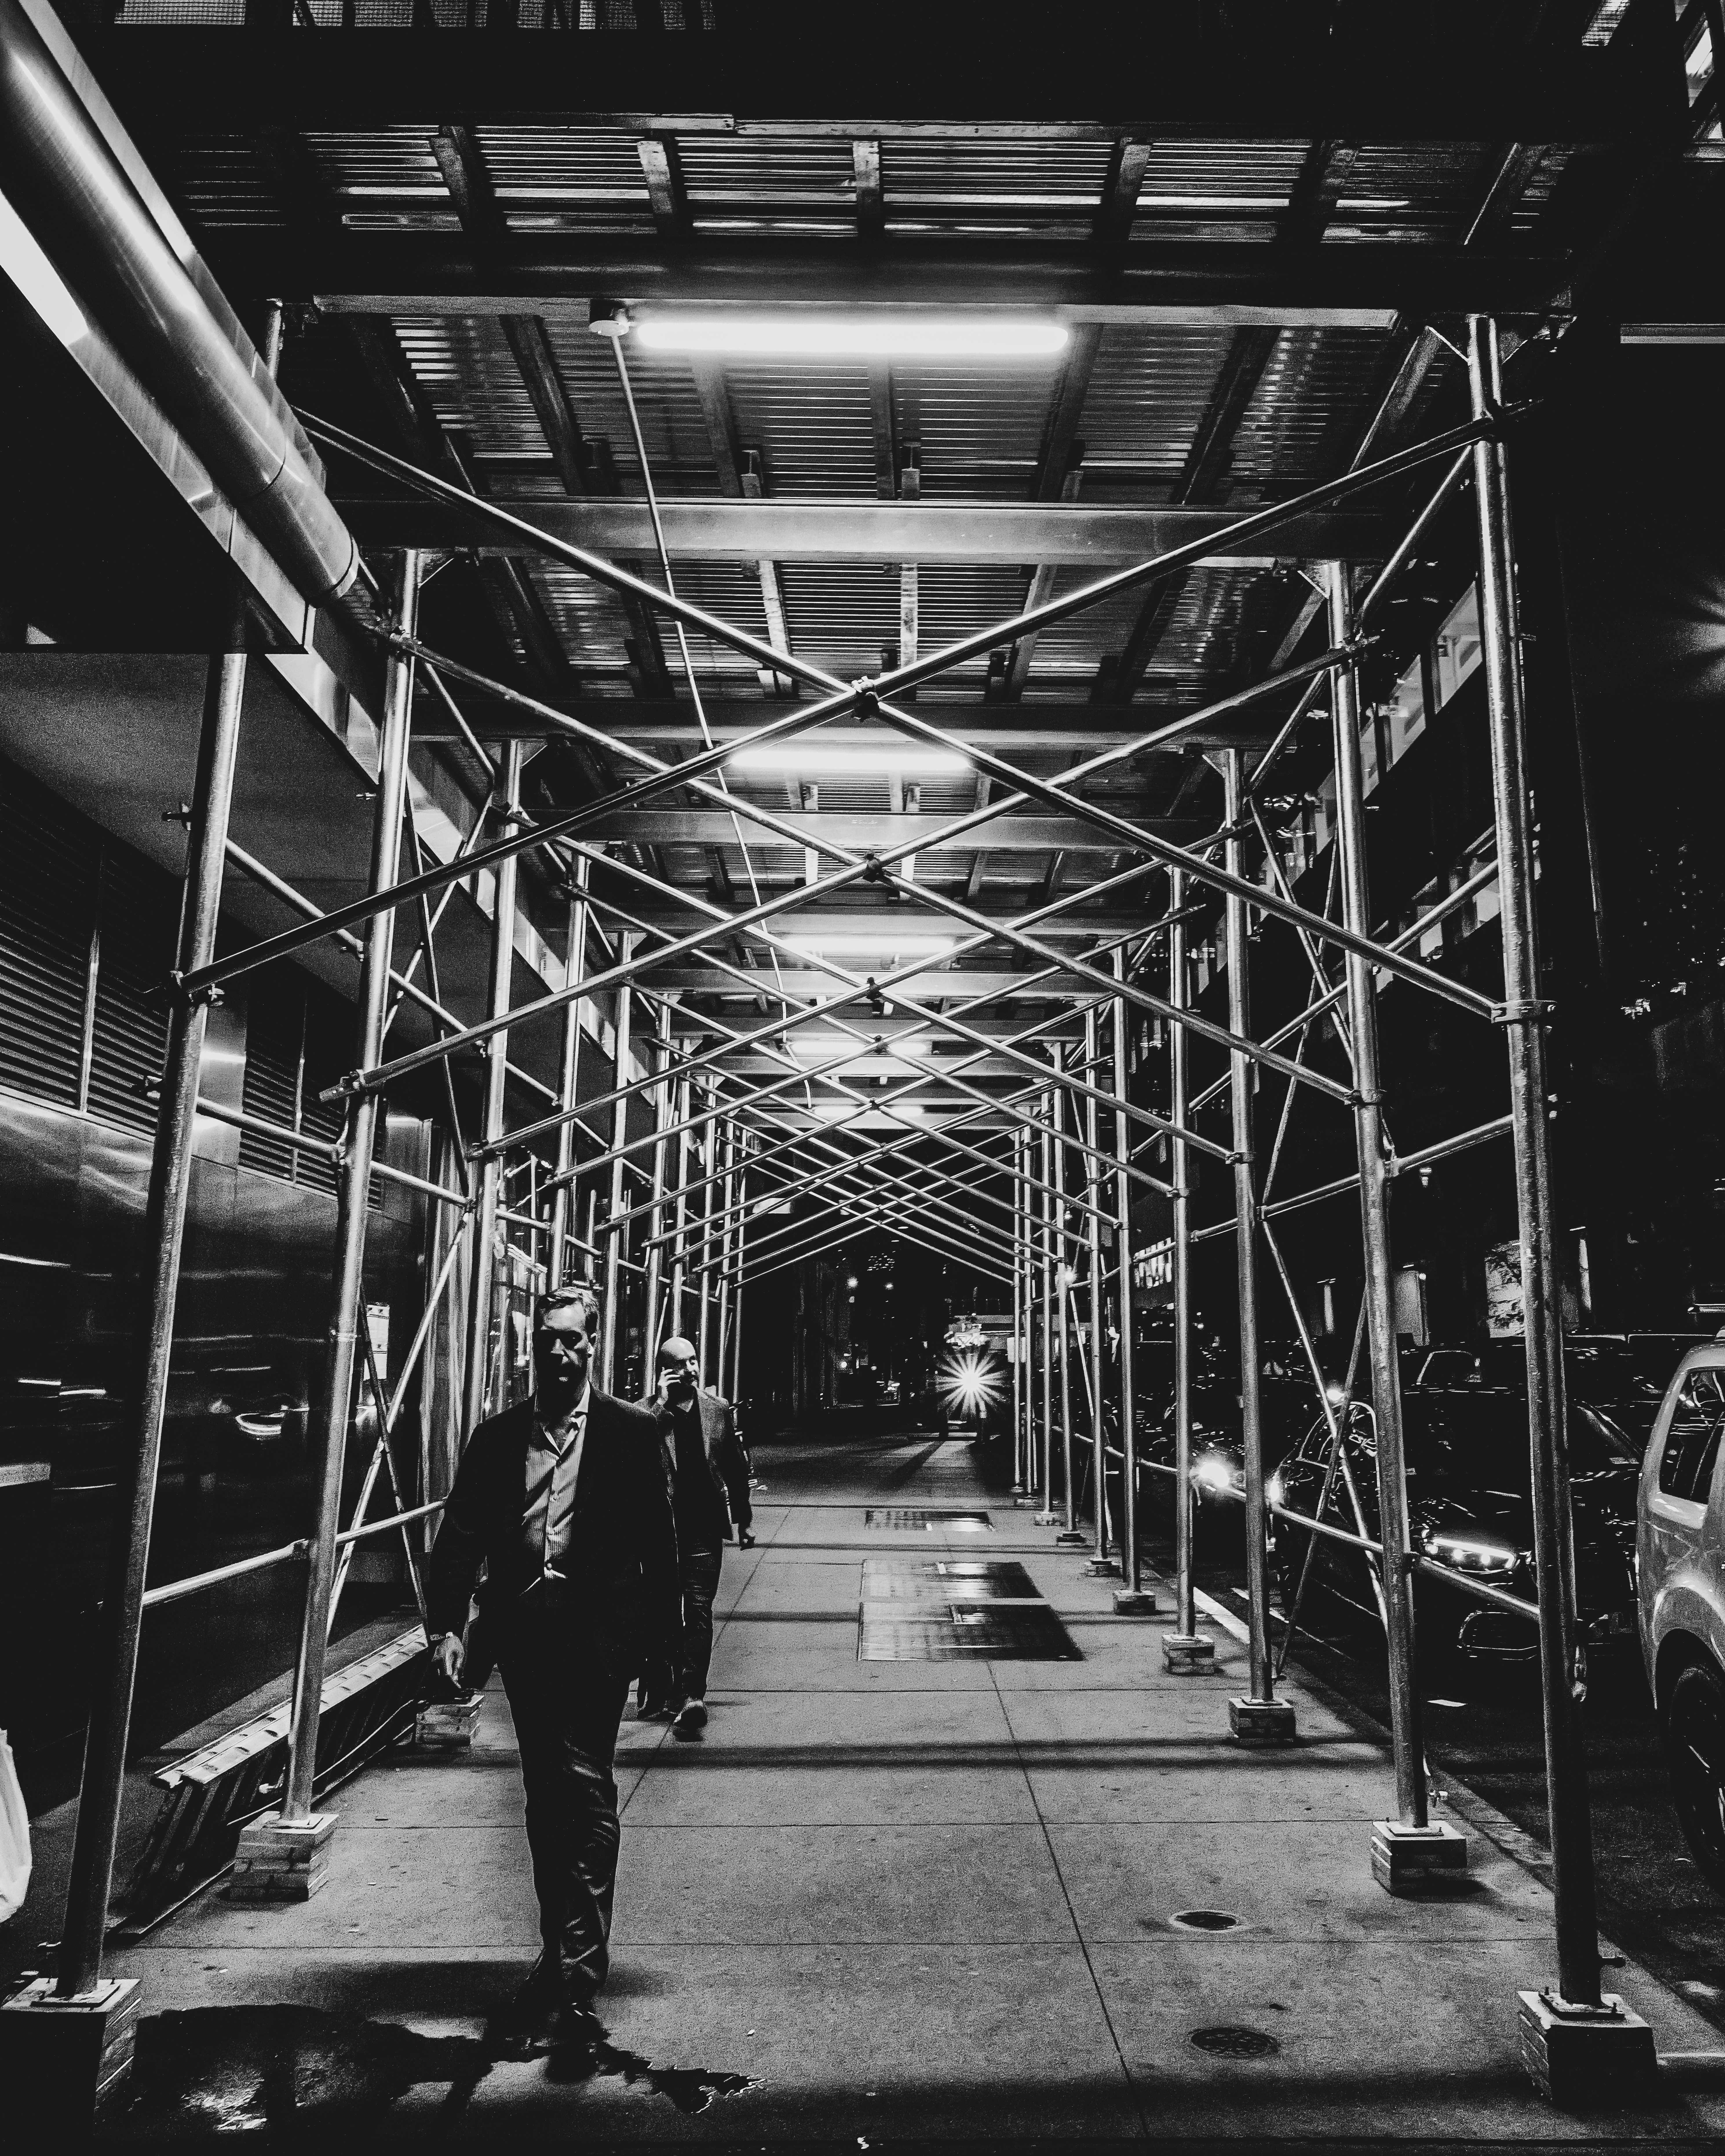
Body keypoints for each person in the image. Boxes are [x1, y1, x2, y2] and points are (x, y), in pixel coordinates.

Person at [426, 1285, 678, 2049]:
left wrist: (663, 1649)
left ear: (593, 1343)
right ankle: (560, 1952)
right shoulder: (499, 1437)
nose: (559, 1351)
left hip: (599, 1641)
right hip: (526, 1641)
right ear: (531, 1345)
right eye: (547, 1339)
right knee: (546, 1799)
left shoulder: (631, 1432)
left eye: (572, 1338)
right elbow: (460, 1533)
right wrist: (445, 1627)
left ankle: (577, 1979)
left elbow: (659, 1542)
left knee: (585, 1791)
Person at [650, 1335, 754, 1736]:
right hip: (662, 1533)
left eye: (694, 1360)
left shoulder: (717, 1410)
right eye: (680, 1363)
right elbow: (638, 1457)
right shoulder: (645, 1414)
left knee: (698, 1611)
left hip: (704, 1529)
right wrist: (661, 1407)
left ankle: (693, 1695)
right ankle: (672, 1688)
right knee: (665, 1615)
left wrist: (743, 1519)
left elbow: (736, 1470)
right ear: (664, 1370)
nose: (691, 1369)